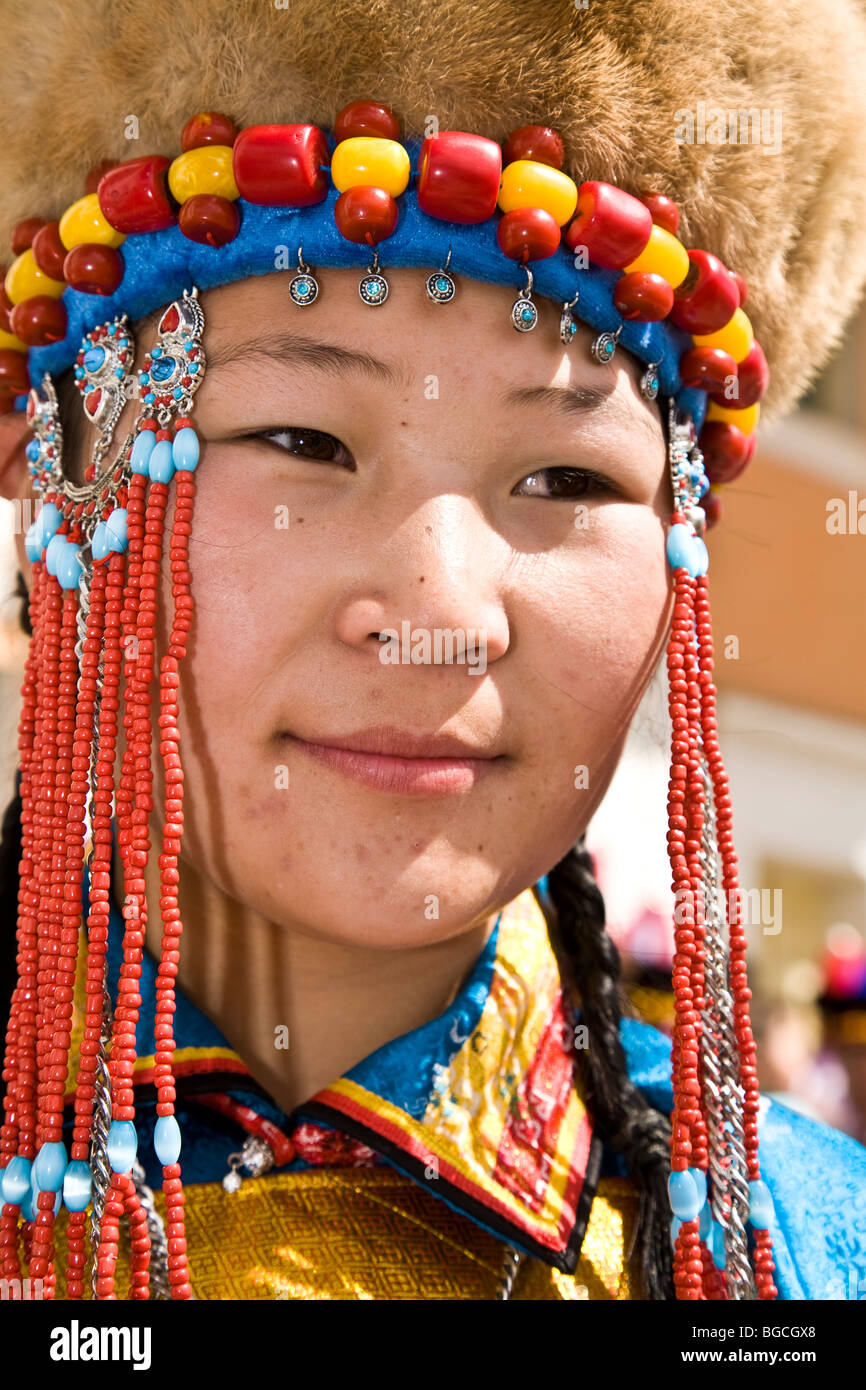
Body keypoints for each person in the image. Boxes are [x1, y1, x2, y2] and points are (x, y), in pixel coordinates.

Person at [0, 0, 865, 1303]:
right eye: (304, 443)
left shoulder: (796, 1247)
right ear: (50, 476)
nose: (439, 607)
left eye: (567, 472)